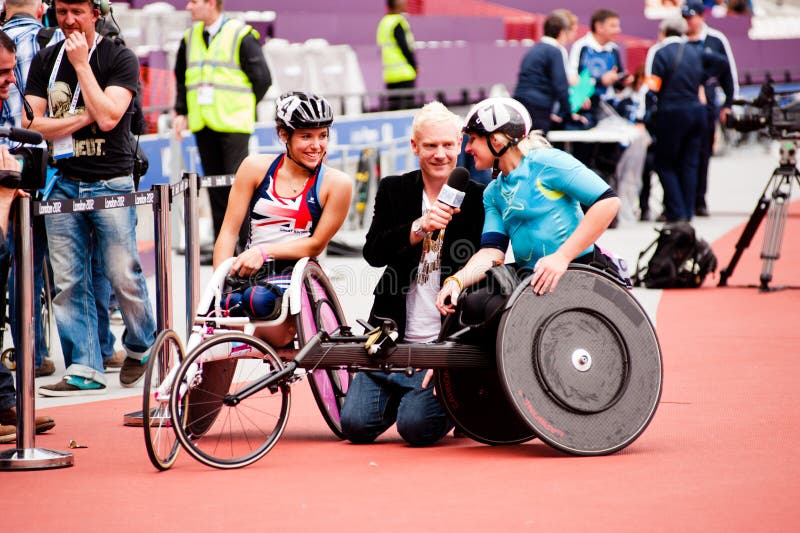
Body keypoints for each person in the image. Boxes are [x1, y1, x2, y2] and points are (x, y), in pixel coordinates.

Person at [26, 0, 156, 395]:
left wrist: (82, 65)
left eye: (77, 12)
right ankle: (84, 365)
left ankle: (141, 345)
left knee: (122, 273)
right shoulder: (45, 59)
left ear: (95, 13)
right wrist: (82, 116)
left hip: (112, 181)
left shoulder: (119, 56)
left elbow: (110, 117)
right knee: (68, 281)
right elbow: (31, 123)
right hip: (61, 181)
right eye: (62, 12)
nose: (68, 21)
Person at [340, 101, 486, 446]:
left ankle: (445, 400)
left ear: (460, 145)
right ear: (414, 146)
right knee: (355, 425)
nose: (440, 154)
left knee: (415, 428)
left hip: (445, 344)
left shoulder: (480, 198)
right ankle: (401, 393)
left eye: (448, 145)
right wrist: (417, 227)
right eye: (431, 145)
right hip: (391, 339)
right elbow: (373, 252)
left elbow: (488, 263)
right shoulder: (394, 189)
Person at [434, 97, 622, 321]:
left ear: (495, 140)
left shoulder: (547, 163)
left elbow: (609, 202)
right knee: (474, 305)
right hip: (532, 278)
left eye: (473, 139)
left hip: (577, 268)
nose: (468, 148)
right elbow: (492, 252)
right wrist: (458, 280)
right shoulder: (493, 193)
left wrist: (562, 257)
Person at [212, 92, 352, 347]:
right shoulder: (254, 168)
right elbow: (228, 232)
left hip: (296, 273)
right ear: (284, 135)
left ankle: (265, 340)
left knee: (258, 300)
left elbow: (315, 245)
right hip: (249, 269)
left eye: (323, 135)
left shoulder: (337, 183)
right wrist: (217, 281)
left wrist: (265, 252)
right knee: (225, 303)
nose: (316, 145)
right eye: (306, 136)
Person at [173, 0, 271, 248]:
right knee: (215, 191)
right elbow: (182, 75)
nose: (188, 7)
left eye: (194, 1)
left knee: (239, 189)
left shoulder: (241, 34)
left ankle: (246, 248)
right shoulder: (189, 37)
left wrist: (244, 105)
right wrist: (182, 110)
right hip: (203, 123)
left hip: (234, 124)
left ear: (211, 3)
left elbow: (263, 79)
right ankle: (224, 250)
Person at [0, 0, 62, 378]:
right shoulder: (52, 42)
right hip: (21, 186)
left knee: (20, 269)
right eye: (4, 73)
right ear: (42, 7)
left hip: (25, 181)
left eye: (12, 73)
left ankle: (10, 393)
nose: (11, 81)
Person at [644, 16, 730, 222]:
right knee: (690, 163)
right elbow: (722, 62)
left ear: (663, 32)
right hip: (696, 112)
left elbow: (651, 87)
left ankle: (677, 211)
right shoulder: (695, 51)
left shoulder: (660, 52)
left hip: (672, 112)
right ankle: (688, 212)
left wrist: (646, 113)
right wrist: (702, 78)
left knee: (664, 163)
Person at [683, 0, 738, 217]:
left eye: (691, 16)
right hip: (684, 105)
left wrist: (728, 104)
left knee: (703, 154)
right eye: (685, 17)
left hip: (706, 108)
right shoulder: (679, 41)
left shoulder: (716, 40)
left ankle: (699, 200)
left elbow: (728, 73)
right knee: (684, 156)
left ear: (702, 16)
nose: (688, 21)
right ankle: (685, 201)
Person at [513, 11, 576, 134]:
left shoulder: (534, 50)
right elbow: (561, 86)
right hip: (539, 108)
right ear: (562, 32)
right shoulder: (555, 52)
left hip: (522, 105)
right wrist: (569, 115)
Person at [376, 0, 417, 111]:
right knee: (407, 112)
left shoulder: (384, 22)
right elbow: (405, 47)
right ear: (396, 4)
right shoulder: (397, 22)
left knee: (394, 110)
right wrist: (415, 65)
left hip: (390, 76)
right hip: (404, 75)